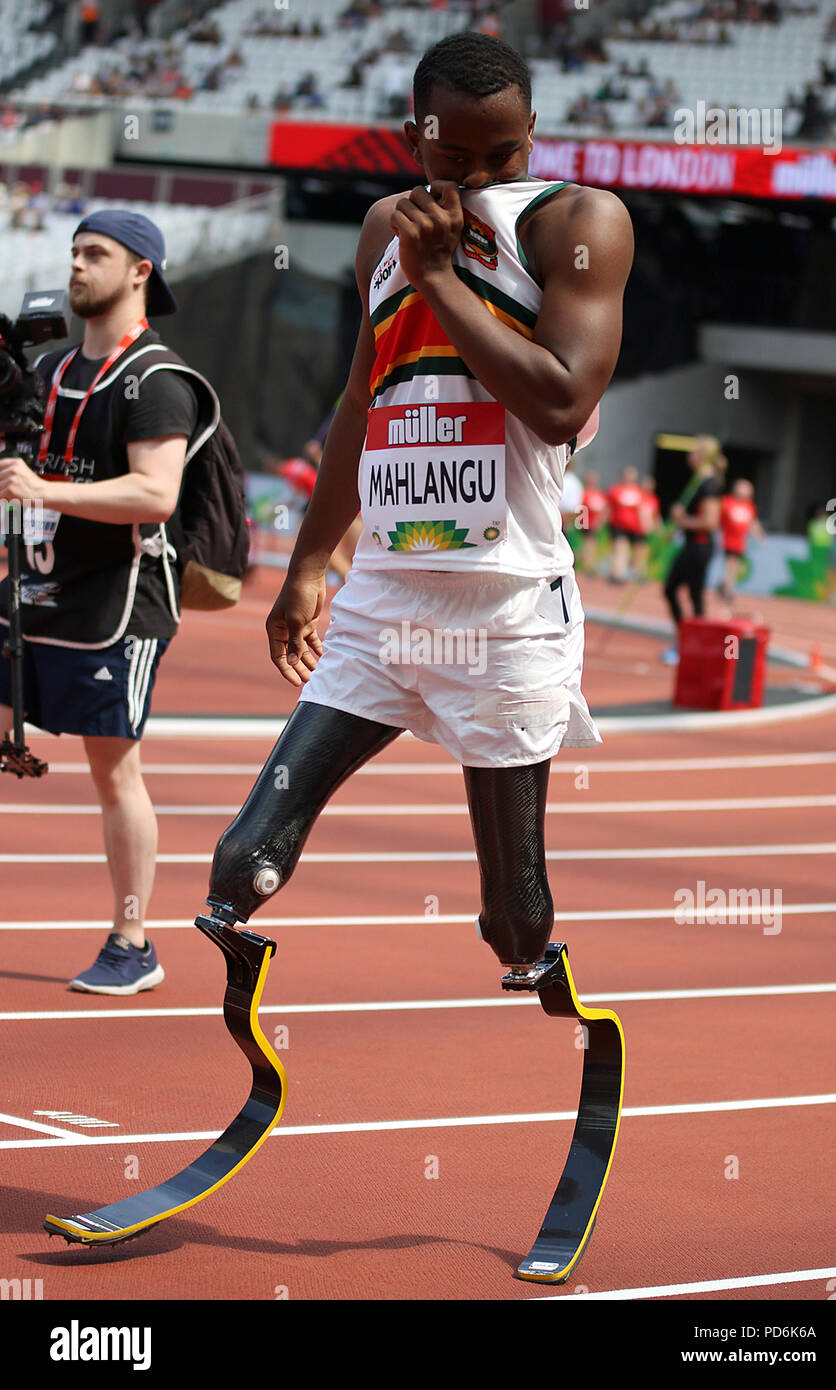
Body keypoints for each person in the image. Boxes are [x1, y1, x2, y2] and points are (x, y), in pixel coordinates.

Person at [199, 28, 633, 1018]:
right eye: (451, 158)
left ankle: (548, 992)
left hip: (509, 604)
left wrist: (440, 278)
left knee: (510, 909)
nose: (476, 176)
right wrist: (310, 562)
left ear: (531, 136)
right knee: (245, 853)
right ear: (414, 136)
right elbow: (359, 401)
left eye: (502, 155)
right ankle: (234, 968)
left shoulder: (578, 221)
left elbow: (560, 401)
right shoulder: (381, 229)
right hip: (388, 593)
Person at [0, 210, 203, 994]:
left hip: (117, 601)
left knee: (113, 769)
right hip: (31, 585)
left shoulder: (156, 378)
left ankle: (133, 941)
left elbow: (157, 491)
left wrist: (46, 488)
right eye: (75, 252)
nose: (77, 266)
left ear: (141, 271)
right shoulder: (46, 370)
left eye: (97, 254)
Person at [660, 437, 724, 663]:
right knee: (675, 590)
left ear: (704, 456)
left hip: (700, 546)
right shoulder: (697, 482)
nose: (690, 456)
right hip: (692, 544)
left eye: (694, 451)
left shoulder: (709, 485)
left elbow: (710, 522)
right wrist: (678, 526)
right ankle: (689, 641)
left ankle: (695, 646)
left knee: (689, 594)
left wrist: (682, 520)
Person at [719, 477, 764, 602]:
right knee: (731, 564)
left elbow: (753, 523)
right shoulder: (727, 502)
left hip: (740, 543)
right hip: (728, 540)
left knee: (735, 566)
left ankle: (725, 585)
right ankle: (728, 589)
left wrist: (759, 536)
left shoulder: (749, 506)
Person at [606, 464, 644, 582]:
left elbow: (642, 511)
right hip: (618, 525)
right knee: (620, 548)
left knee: (636, 553)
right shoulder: (616, 490)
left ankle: (635, 574)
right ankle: (618, 574)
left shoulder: (639, 492)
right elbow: (608, 508)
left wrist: (644, 525)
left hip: (634, 527)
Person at [632, 474, 660, 580]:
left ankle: (640, 572)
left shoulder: (653, 499)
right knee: (638, 550)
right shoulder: (639, 496)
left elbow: (655, 515)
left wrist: (657, 527)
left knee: (643, 550)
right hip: (637, 528)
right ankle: (637, 572)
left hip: (648, 530)